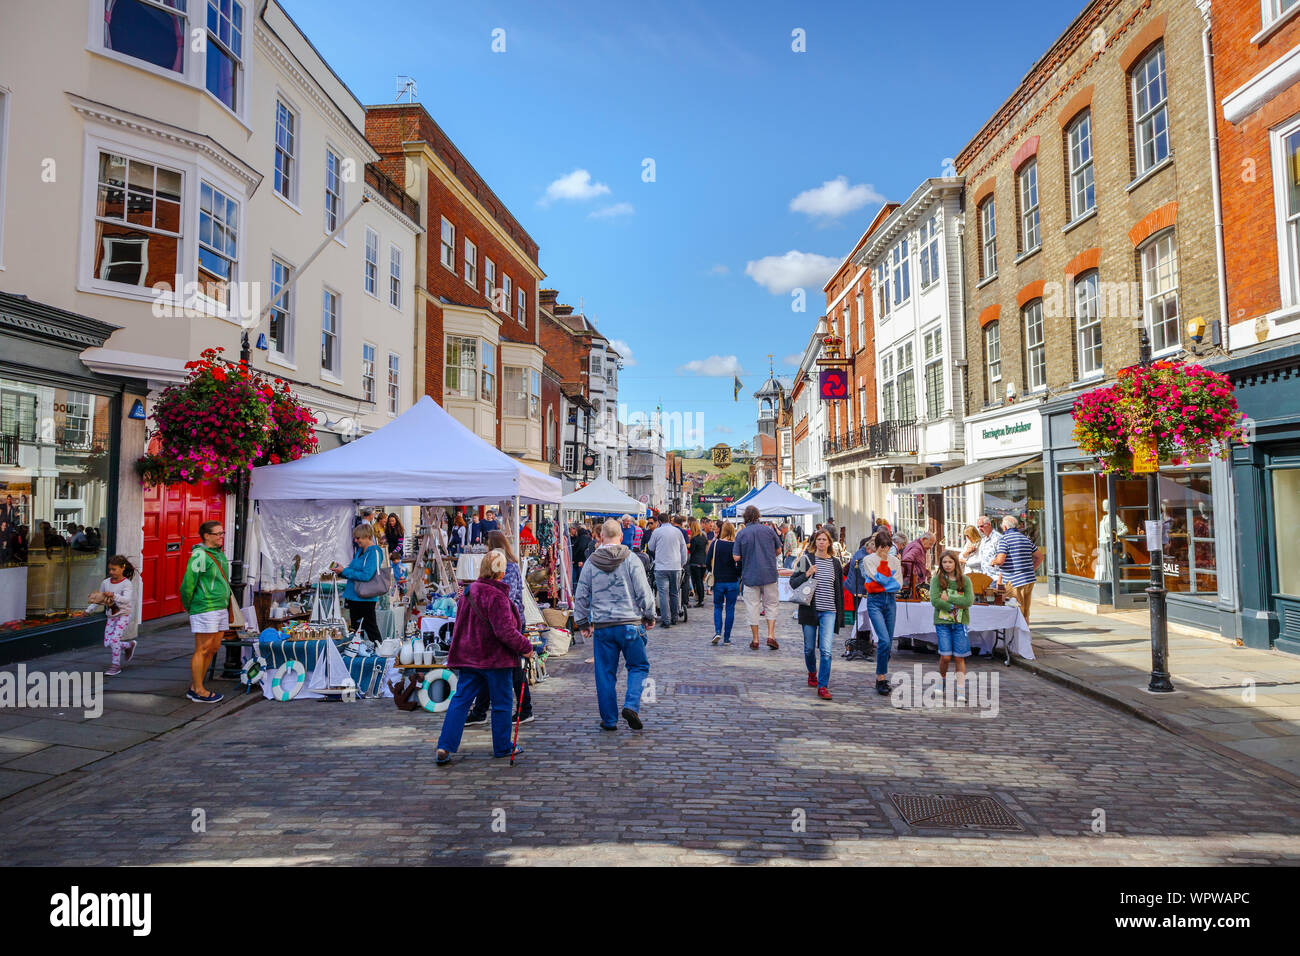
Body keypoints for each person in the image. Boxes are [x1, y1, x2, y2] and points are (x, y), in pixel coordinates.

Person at [435, 550, 534, 765]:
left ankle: (445, 745)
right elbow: (504, 631)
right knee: (501, 703)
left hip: (469, 657)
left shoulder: (469, 592)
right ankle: (502, 746)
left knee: (461, 701)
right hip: (495, 659)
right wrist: (525, 647)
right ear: (500, 573)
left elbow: (459, 626)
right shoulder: (497, 596)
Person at [575, 519, 656, 731]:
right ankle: (631, 705)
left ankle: (609, 720)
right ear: (621, 536)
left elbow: (581, 593)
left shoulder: (592, 562)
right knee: (638, 666)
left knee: (605, 673)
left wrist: (583, 621)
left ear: (600, 537)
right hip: (630, 623)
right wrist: (649, 614)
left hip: (603, 626)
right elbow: (643, 590)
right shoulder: (631, 559)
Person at [467, 531, 533, 725]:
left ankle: (525, 708)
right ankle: (480, 711)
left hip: (508, 622)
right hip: (500, 621)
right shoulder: (508, 565)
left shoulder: (509, 567)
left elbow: (508, 598)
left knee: (512, 668)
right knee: (491, 666)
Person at [179, 520, 231, 704]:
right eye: (217, 533)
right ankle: (198, 690)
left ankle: (197, 685)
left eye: (222, 533)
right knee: (202, 648)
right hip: (205, 607)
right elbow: (188, 584)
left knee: (213, 648)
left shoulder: (219, 554)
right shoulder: (200, 555)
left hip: (220, 607)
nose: (221, 536)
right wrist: (190, 606)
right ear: (206, 536)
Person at [790, 529, 844, 700]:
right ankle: (812, 672)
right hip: (809, 610)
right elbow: (793, 582)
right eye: (819, 539)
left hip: (829, 611)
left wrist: (840, 613)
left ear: (829, 543)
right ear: (815, 542)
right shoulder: (807, 559)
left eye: (824, 540)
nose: (821, 542)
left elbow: (839, 590)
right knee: (809, 648)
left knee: (826, 651)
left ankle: (823, 686)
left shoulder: (835, 563)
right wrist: (807, 574)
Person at [734, 504, 782, 651]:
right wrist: (768, 556)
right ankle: (771, 635)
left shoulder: (742, 534)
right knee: (771, 605)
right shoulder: (768, 530)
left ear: (745, 518)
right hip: (769, 574)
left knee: (752, 607)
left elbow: (736, 557)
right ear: (758, 516)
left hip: (750, 575)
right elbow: (779, 550)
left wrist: (747, 556)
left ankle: (755, 639)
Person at [863, 530, 902, 696]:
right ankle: (880, 677)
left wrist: (882, 583)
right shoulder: (868, 559)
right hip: (875, 602)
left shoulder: (896, 561)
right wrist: (885, 578)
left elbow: (898, 584)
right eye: (882, 548)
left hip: (890, 601)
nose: (885, 552)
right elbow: (877, 578)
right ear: (877, 547)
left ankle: (882, 673)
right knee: (884, 639)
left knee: (888, 641)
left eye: (888, 548)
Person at [931, 550, 974, 703]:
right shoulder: (937, 580)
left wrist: (949, 598)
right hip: (943, 623)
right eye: (944, 562)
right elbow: (935, 601)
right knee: (946, 656)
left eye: (950, 562)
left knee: (959, 656)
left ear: (956, 563)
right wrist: (953, 606)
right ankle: (941, 680)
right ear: (941, 564)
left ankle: (961, 690)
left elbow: (968, 601)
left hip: (960, 623)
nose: (947, 565)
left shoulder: (965, 581)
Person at [331, 523, 384, 645]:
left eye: (358, 538)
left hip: (365, 597)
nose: (356, 540)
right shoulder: (360, 550)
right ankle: (356, 651)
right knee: (355, 629)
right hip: (354, 596)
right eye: (355, 538)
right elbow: (355, 571)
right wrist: (341, 571)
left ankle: (379, 651)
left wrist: (345, 571)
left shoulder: (374, 551)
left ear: (367, 536)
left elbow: (367, 575)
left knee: (371, 628)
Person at [92, 554, 138, 677]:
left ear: (122, 568)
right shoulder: (105, 583)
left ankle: (115, 666)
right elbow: (99, 598)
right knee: (108, 643)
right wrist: (89, 610)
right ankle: (129, 645)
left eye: (114, 569)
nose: (111, 572)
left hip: (123, 615)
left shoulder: (126, 584)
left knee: (114, 640)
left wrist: (113, 595)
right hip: (111, 616)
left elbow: (126, 600)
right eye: (110, 569)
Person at [992, 515, 1044, 622]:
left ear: (1005, 527)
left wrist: (993, 561)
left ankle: (1017, 637)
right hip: (1029, 580)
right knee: (1025, 611)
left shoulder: (1004, 539)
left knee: (1015, 610)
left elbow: (1000, 560)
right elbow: (1040, 557)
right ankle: (1025, 636)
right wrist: (1030, 570)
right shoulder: (1025, 539)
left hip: (1014, 581)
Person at [647, 512, 688, 629]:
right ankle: (675, 617)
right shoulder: (677, 532)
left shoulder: (657, 532)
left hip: (661, 567)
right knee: (674, 593)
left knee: (663, 594)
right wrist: (682, 563)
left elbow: (650, 547)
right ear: (669, 520)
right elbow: (683, 549)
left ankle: (666, 620)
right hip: (675, 566)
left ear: (659, 521)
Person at [706, 521, 741, 645]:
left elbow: (707, 560)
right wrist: (737, 574)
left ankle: (717, 632)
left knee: (718, 607)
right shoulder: (736, 545)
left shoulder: (716, 544)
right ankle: (727, 638)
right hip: (732, 581)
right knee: (730, 608)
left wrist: (712, 571)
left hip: (719, 580)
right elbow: (740, 563)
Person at [841, 536, 873, 660]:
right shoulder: (862, 557)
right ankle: (861, 646)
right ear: (870, 549)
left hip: (859, 589)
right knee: (862, 618)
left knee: (863, 618)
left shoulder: (863, 553)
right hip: (858, 590)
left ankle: (864, 645)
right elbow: (866, 575)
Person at [687, 518, 709, 608]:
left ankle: (700, 600)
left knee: (697, 581)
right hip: (703, 561)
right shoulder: (703, 537)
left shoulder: (694, 539)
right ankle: (701, 599)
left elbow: (692, 550)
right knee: (700, 581)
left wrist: (688, 546)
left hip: (695, 562)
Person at [975, 515, 1002, 580]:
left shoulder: (998, 538)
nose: (979, 529)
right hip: (985, 577)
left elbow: (1002, 559)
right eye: (978, 527)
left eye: (981, 526)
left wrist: (1000, 580)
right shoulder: (983, 540)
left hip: (995, 578)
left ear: (989, 524)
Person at [571, 521, 595, 591]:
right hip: (582, 561)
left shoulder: (582, 537)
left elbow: (581, 548)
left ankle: (577, 592)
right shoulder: (587, 536)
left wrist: (578, 559)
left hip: (580, 562)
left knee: (578, 579)